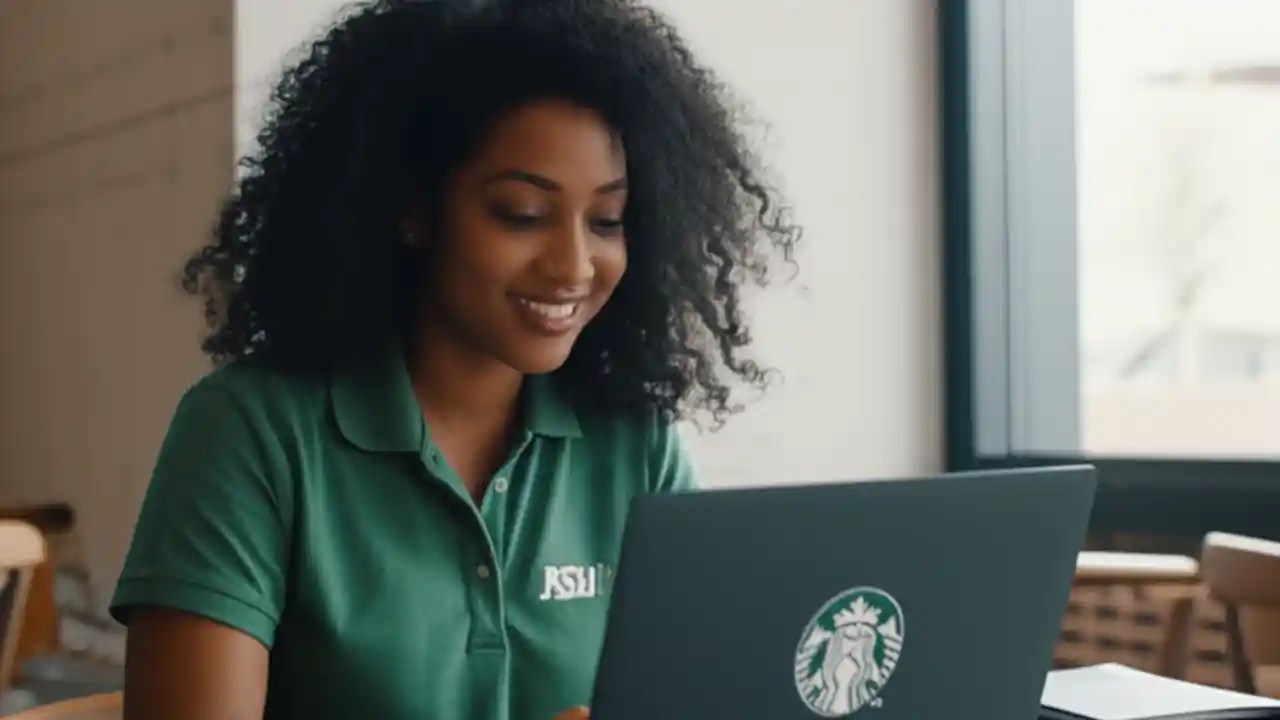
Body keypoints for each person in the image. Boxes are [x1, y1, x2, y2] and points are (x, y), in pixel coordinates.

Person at [110, 0, 798, 718]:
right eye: (522, 215)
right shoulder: (253, 433)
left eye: (606, 221)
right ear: (412, 209)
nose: (573, 265)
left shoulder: (637, 447)